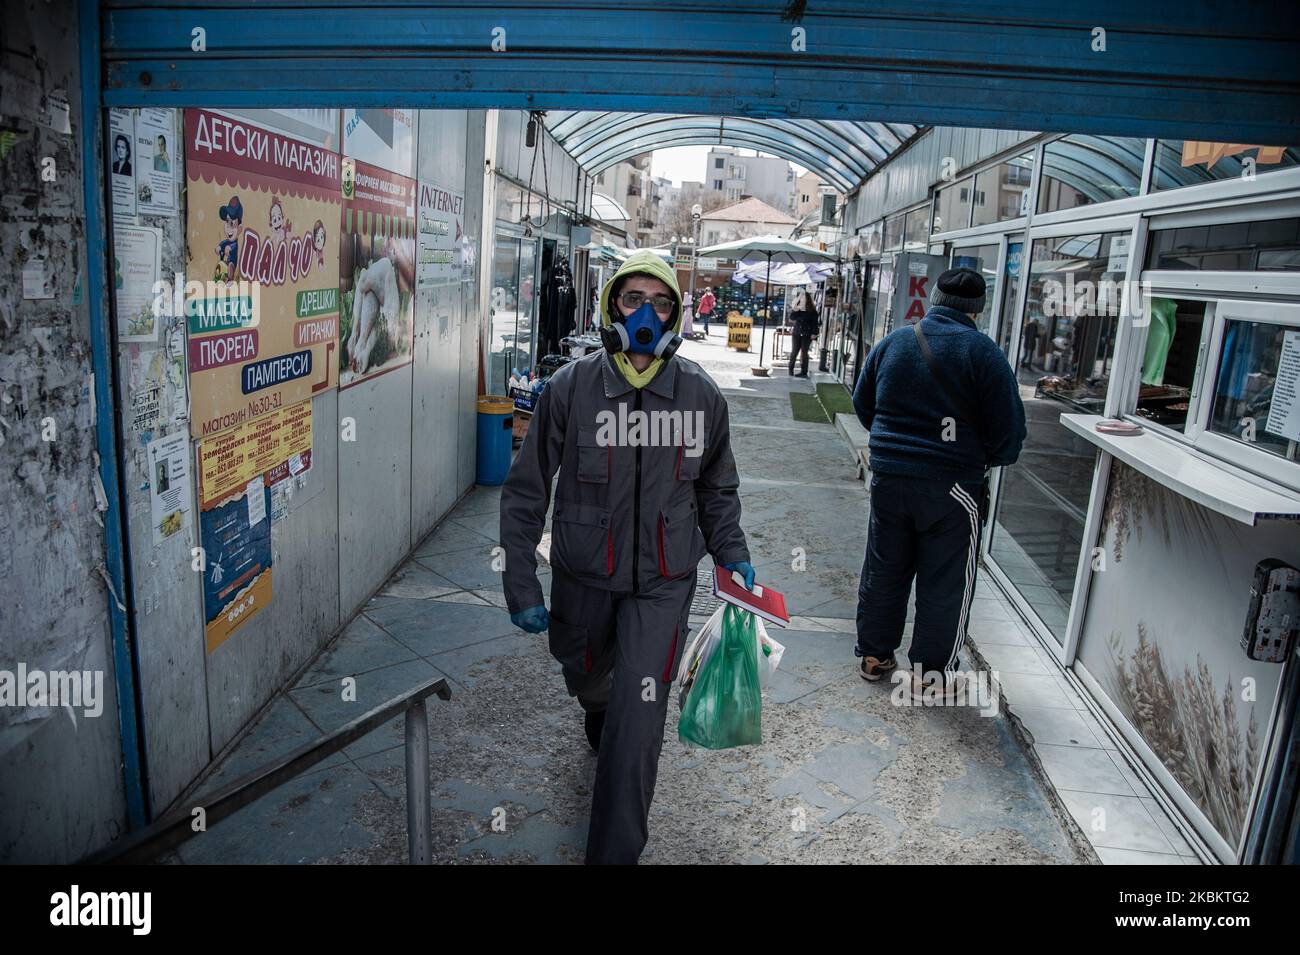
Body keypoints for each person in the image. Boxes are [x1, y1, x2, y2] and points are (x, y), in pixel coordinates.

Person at [500, 250, 754, 865]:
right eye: (634, 299)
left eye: (661, 302)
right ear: (613, 306)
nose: (647, 314)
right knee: (586, 673)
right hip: (584, 573)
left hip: (664, 579)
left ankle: (612, 852)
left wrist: (732, 554)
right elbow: (528, 488)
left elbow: (716, 489)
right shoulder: (571, 388)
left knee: (638, 724)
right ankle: (597, 703)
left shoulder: (699, 395)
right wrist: (521, 583)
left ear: (675, 316)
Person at [850, 268, 1025, 700]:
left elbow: (862, 402)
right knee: (945, 580)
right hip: (952, 487)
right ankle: (931, 675)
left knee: (884, 567)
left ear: (934, 299)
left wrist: (895, 447)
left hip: (890, 480)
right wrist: (985, 458)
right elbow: (1009, 435)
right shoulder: (984, 354)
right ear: (978, 310)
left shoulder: (894, 342)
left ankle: (874, 656)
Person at [787, 286, 820, 378]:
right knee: (794, 351)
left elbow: (815, 323)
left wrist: (814, 333)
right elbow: (791, 318)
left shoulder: (813, 311)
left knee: (804, 353)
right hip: (797, 332)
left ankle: (804, 371)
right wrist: (796, 308)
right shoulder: (798, 309)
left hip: (807, 334)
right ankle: (790, 368)